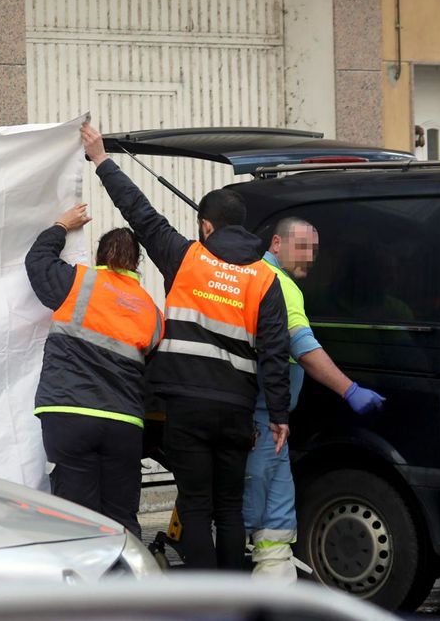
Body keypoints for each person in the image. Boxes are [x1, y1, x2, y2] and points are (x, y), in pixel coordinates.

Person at [81, 122, 291, 570]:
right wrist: (279, 415)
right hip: (236, 409)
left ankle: (203, 597)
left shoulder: (185, 257)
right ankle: (233, 593)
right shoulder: (265, 279)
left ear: (206, 226)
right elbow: (275, 352)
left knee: (195, 504)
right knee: (229, 507)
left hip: (185, 406)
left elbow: (140, 212)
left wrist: (101, 159)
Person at [242, 216, 385, 581]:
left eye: (315, 250)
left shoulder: (265, 276)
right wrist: (349, 389)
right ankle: (235, 587)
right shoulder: (277, 283)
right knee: (254, 504)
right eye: (302, 246)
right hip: (262, 416)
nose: (309, 256)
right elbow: (302, 347)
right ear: (276, 243)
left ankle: (274, 585)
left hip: (273, 418)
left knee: (276, 507)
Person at [25, 203, 164, 537]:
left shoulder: (79, 282)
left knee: (76, 518)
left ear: (100, 256)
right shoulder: (153, 312)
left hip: (69, 414)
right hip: (123, 424)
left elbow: (37, 261)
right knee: (121, 518)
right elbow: (153, 369)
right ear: (137, 263)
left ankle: (83, 570)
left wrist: (61, 225)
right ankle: (127, 568)